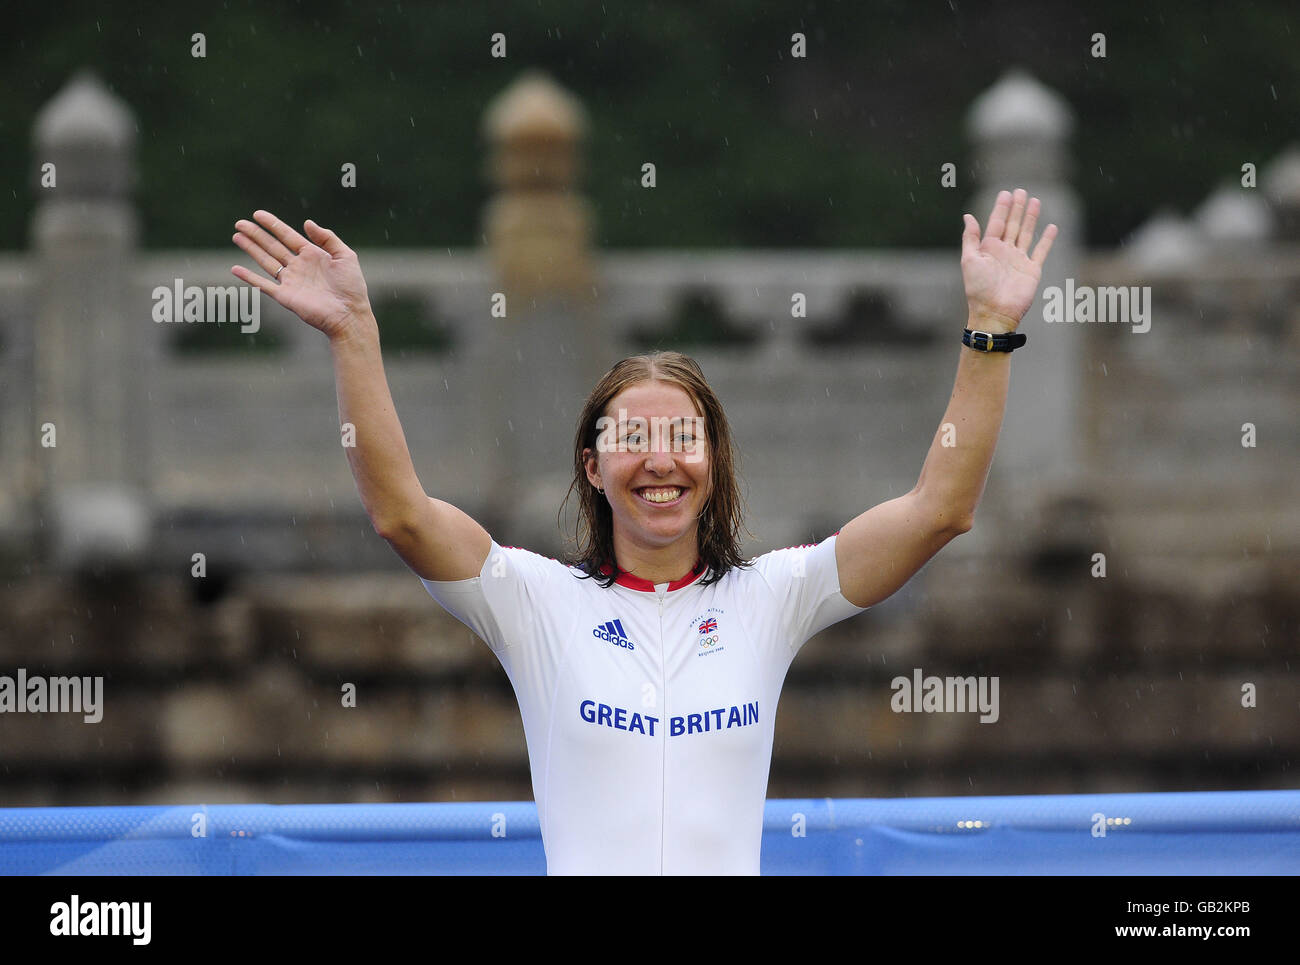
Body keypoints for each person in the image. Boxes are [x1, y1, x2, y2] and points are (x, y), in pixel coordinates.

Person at [230, 188, 1057, 874]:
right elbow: (401, 512)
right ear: (593, 467)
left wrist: (988, 325)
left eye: (682, 437)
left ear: (714, 460)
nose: (659, 460)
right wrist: (354, 333)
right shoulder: (536, 602)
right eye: (631, 438)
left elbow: (940, 507)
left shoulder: (774, 596)